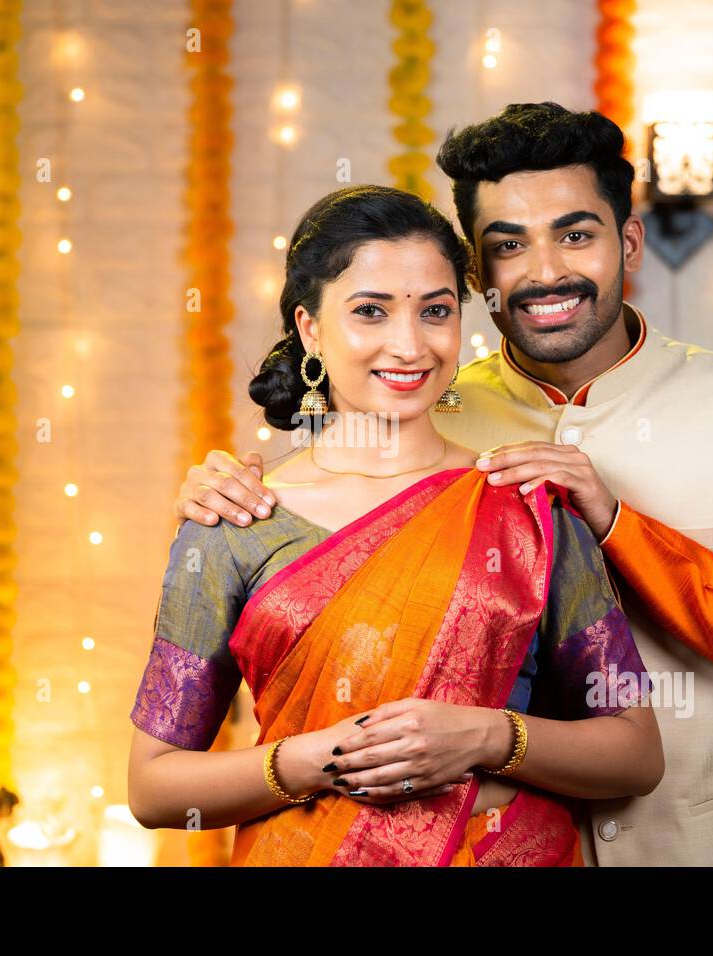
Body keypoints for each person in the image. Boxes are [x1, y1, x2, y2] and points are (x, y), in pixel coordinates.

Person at [176, 103, 713, 866]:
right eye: (509, 246)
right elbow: (312, 531)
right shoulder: (425, 405)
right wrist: (227, 489)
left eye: (576, 234)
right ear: (477, 273)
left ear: (628, 241)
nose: (545, 272)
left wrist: (616, 523)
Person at [128, 183, 663, 866]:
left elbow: (636, 753)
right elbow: (152, 785)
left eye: (435, 311)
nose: (408, 345)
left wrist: (490, 738)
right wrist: (319, 759)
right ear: (310, 328)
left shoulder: (524, 502)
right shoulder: (234, 518)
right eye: (371, 312)